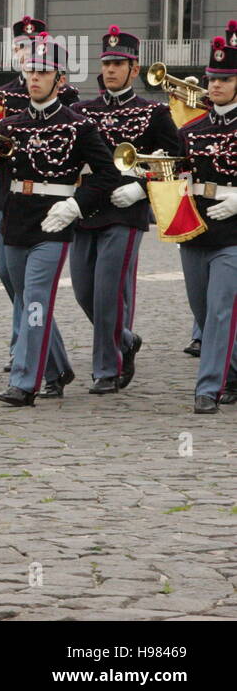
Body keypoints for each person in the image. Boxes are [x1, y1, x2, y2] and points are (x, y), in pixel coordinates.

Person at [0, 35, 117, 407]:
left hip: (55, 220)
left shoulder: (79, 125)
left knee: (37, 301)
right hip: (17, 218)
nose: (34, 78)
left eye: (43, 72)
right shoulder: (10, 125)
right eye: (30, 70)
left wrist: (76, 205)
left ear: (59, 79)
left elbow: (107, 174)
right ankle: (57, 368)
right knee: (25, 297)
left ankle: (24, 382)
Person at [68, 26, 178, 395]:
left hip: (125, 213)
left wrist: (142, 189)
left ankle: (106, 368)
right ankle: (126, 340)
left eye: (119, 63)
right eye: (107, 62)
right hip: (87, 211)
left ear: (134, 69)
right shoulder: (81, 112)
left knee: (107, 292)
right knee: (83, 291)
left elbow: (178, 162)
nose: (111, 69)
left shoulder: (154, 113)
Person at [0, 16, 79, 393]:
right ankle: (56, 363)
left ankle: (25, 360)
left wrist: (75, 202)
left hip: (51, 207)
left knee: (33, 291)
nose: (25, 58)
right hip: (12, 200)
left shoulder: (66, 100)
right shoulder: (3, 95)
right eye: (20, 48)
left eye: (33, 51)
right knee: (11, 278)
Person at [177, 38, 237, 413]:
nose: (215, 85)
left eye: (225, 79)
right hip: (196, 230)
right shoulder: (191, 130)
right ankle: (232, 373)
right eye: (212, 77)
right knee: (202, 309)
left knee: (219, 310)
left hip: (234, 233)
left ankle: (209, 387)